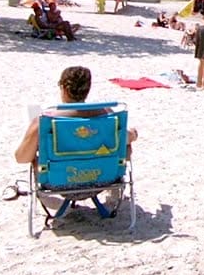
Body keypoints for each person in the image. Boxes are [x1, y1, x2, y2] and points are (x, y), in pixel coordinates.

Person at [13, 66, 139, 208]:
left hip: (57, 183)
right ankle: (114, 194)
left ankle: (57, 206)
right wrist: (133, 134)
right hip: (105, 179)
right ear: (87, 89)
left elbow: (21, 158)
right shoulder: (108, 115)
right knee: (123, 144)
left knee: (36, 155)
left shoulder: (46, 120)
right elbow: (126, 138)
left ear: (64, 88)